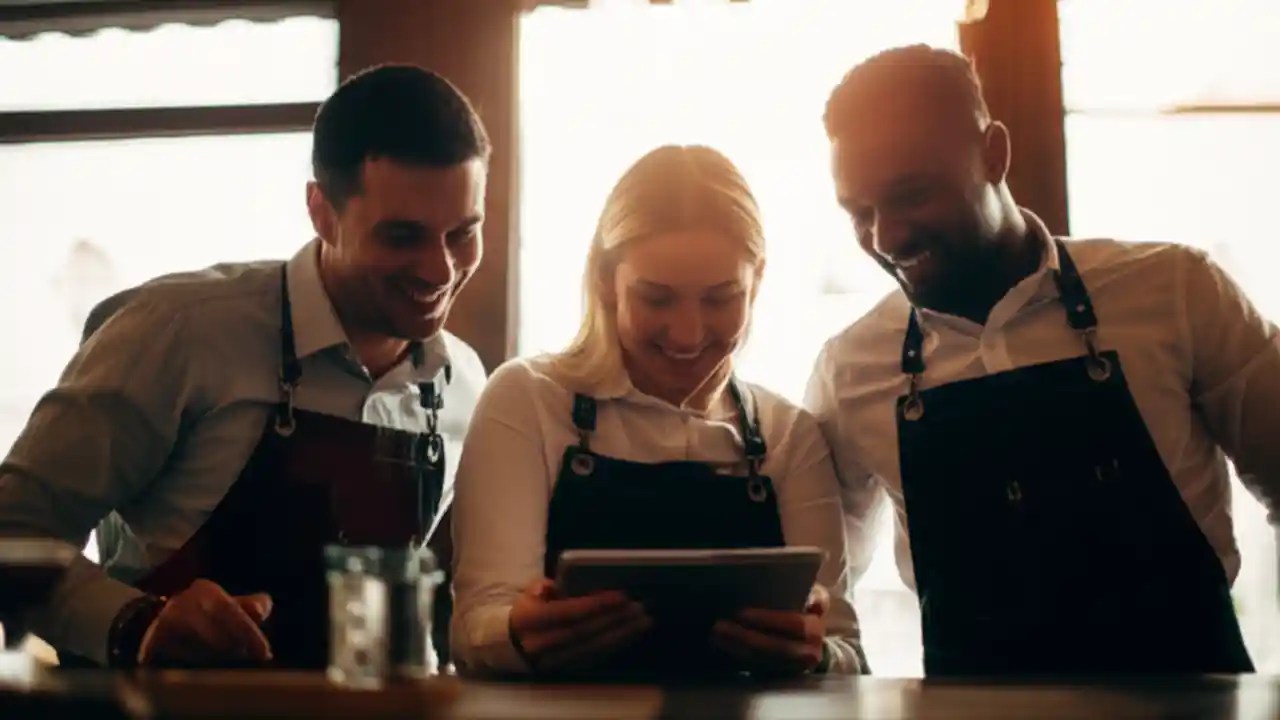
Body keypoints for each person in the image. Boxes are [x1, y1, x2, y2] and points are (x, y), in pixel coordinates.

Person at [807, 44, 1280, 676]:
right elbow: (814, 591)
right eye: (859, 214)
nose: (886, 237)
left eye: (912, 196)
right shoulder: (850, 369)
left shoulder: (1176, 290)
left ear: (994, 154)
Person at [0, 64, 490, 669]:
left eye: (463, 234)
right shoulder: (178, 331)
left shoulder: (465, 385)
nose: (440, 271)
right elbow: (13, 534)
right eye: (401, 237)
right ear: (320, 210)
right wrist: (134, 623)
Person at [450, 145, 865, 679]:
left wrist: (819, 654)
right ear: (606, 281)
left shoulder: (789, 435)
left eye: (720, 299)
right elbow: (471, 630)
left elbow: (848, 652)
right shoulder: (527, 400)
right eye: (657, 299)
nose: (688, 334)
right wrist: (516, 636)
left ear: (756, 281)